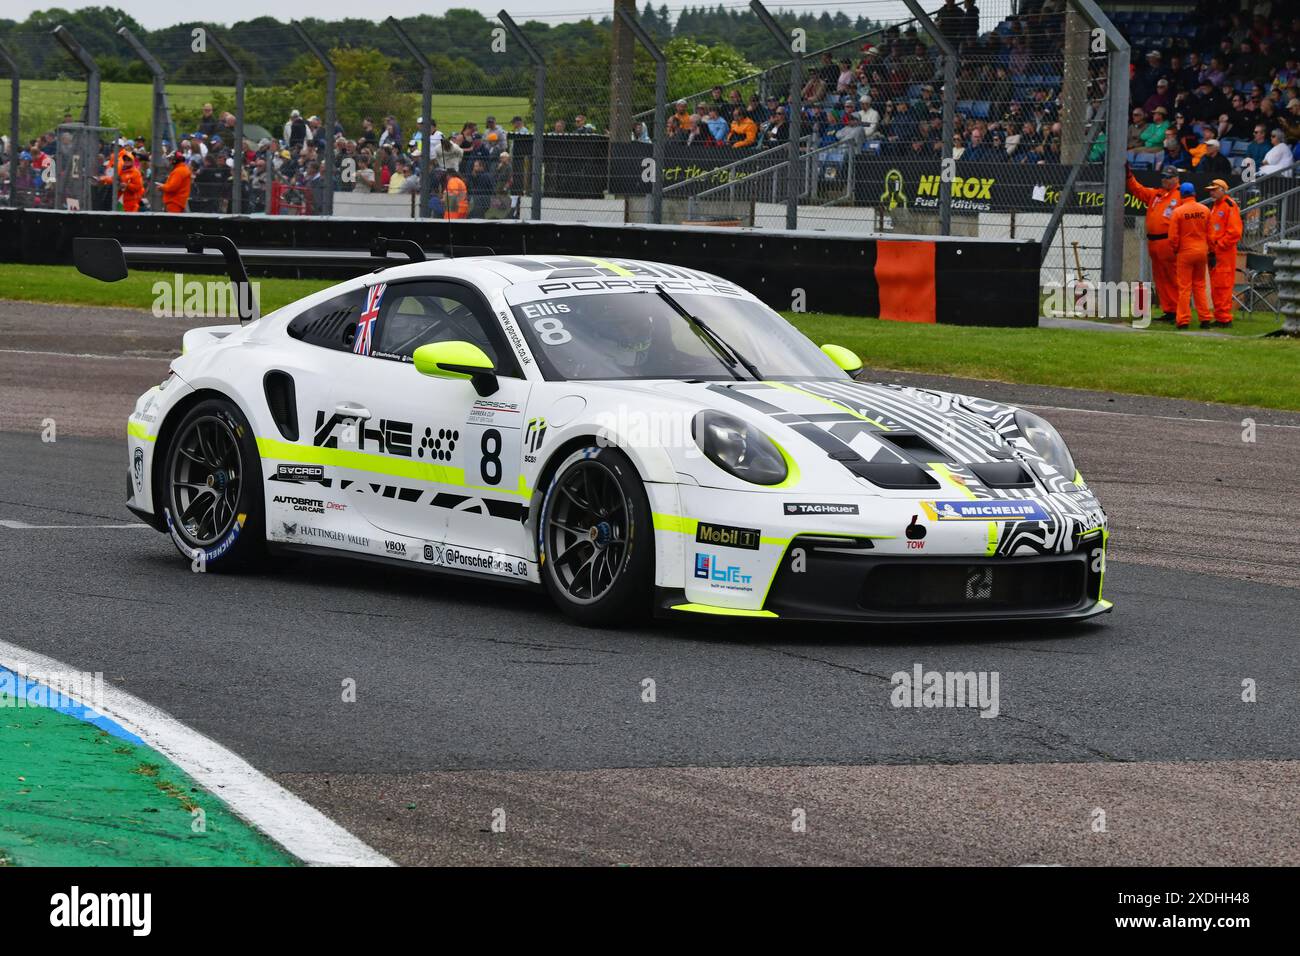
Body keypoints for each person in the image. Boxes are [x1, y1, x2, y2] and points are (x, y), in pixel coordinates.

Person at [1127, 165, 1183, 320]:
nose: (1165, 180)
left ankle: (1179, 310)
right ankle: (1169, 310)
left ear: (1176, 179)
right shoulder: (1156, 194)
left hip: (1168, 241)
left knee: (1172, 277)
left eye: (1168, 177)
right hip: (1153, 242)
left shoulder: (1180, 196)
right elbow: (1138, 190)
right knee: (1160, 278)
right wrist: (1129, 177)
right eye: (1163, 177)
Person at [1167, 181, 1213, 329]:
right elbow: (1210, 233)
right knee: (1200, 285)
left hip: (1185, 252)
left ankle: (1183, 320)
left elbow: (1173, 236)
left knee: (1184, 287)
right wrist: (1210, 250)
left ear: (1182, 195)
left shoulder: (1178, 212)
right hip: (1201, 252)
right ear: (1194, 193)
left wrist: (1175, 249)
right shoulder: (1205, 210)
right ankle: (1205, 318)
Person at [1206, 178, 1242, 328]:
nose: (1211, 192)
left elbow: (1234, 233)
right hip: (1215, 253)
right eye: (1210, 190)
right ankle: (1221, 317)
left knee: (1223, 286)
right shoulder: (1216, 206)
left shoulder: (1229, 205)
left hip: (1224, 253)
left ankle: (1225, 319)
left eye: (1214, 189)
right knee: (1216, 286)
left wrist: (1219, 245)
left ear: (1222, 189)